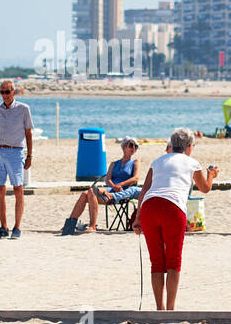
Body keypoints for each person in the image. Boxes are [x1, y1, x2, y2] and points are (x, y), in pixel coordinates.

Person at [130, 128, 216, 310]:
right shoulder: (192, 163)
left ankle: (159, 308)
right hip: (173, 208)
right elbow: (205, 188)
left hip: (149, 207)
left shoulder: (157, 161)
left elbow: (144, 190)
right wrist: (211, 175)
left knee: (157, 262)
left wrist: (137, 217)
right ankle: (170, 309)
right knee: (173, 261)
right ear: (189, 147)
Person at [61, 137, 141, 234]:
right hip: (110, 188)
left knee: (90, 192)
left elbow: (135, 178)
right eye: (131, 145)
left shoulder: (135, 162)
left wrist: (119, 185)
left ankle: (89, 225)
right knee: (85, 193)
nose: (133, 148)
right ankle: (71, 224)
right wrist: (114, 186)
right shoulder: (114, 164)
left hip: (123, 191)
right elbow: (108, 179)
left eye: (135, 146)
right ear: (124, 147)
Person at [0, 80, 33, 239]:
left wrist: (30, 156)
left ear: (14, 92)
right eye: (2, 92)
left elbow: (28, 134)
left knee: (18, 189)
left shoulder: (23, 109)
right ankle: (3, 227)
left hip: (15, 152)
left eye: (8, 92)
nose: (5, 95)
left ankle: (17, 227)